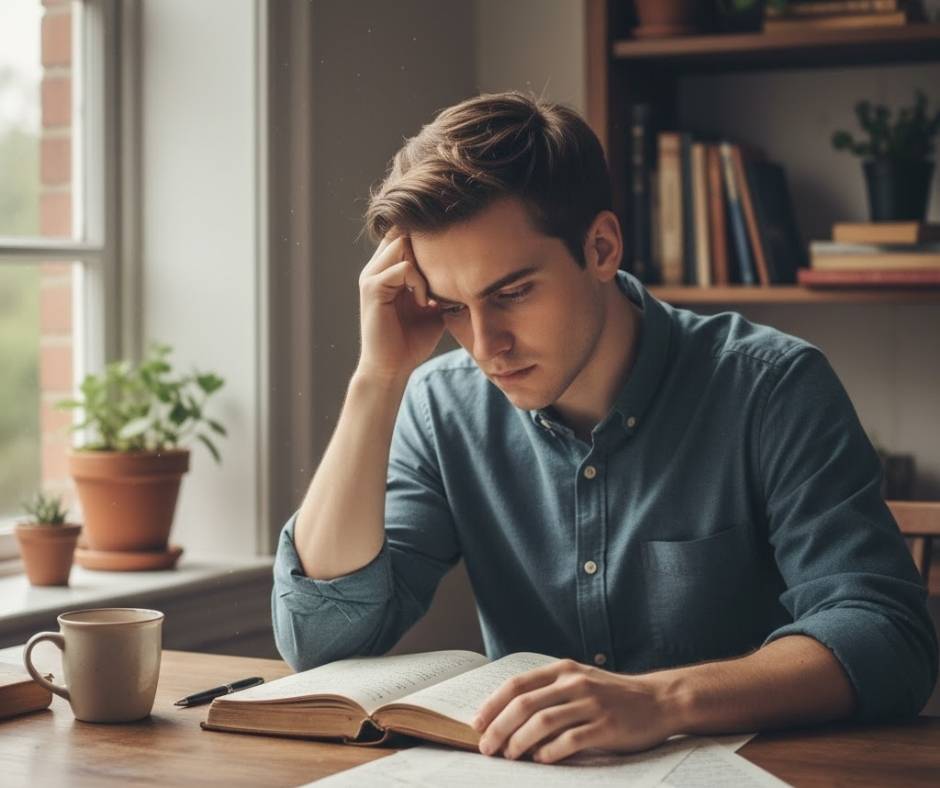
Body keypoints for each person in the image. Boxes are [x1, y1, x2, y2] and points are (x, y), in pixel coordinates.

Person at [271, 91, 938, 764]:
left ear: (601, 246)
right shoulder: (442, 408)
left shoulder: (772, 388)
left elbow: (886, 638)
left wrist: (662, 701)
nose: (484, 345)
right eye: (450, 306)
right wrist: (376, 381)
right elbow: (321, 640)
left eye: (511, 294)